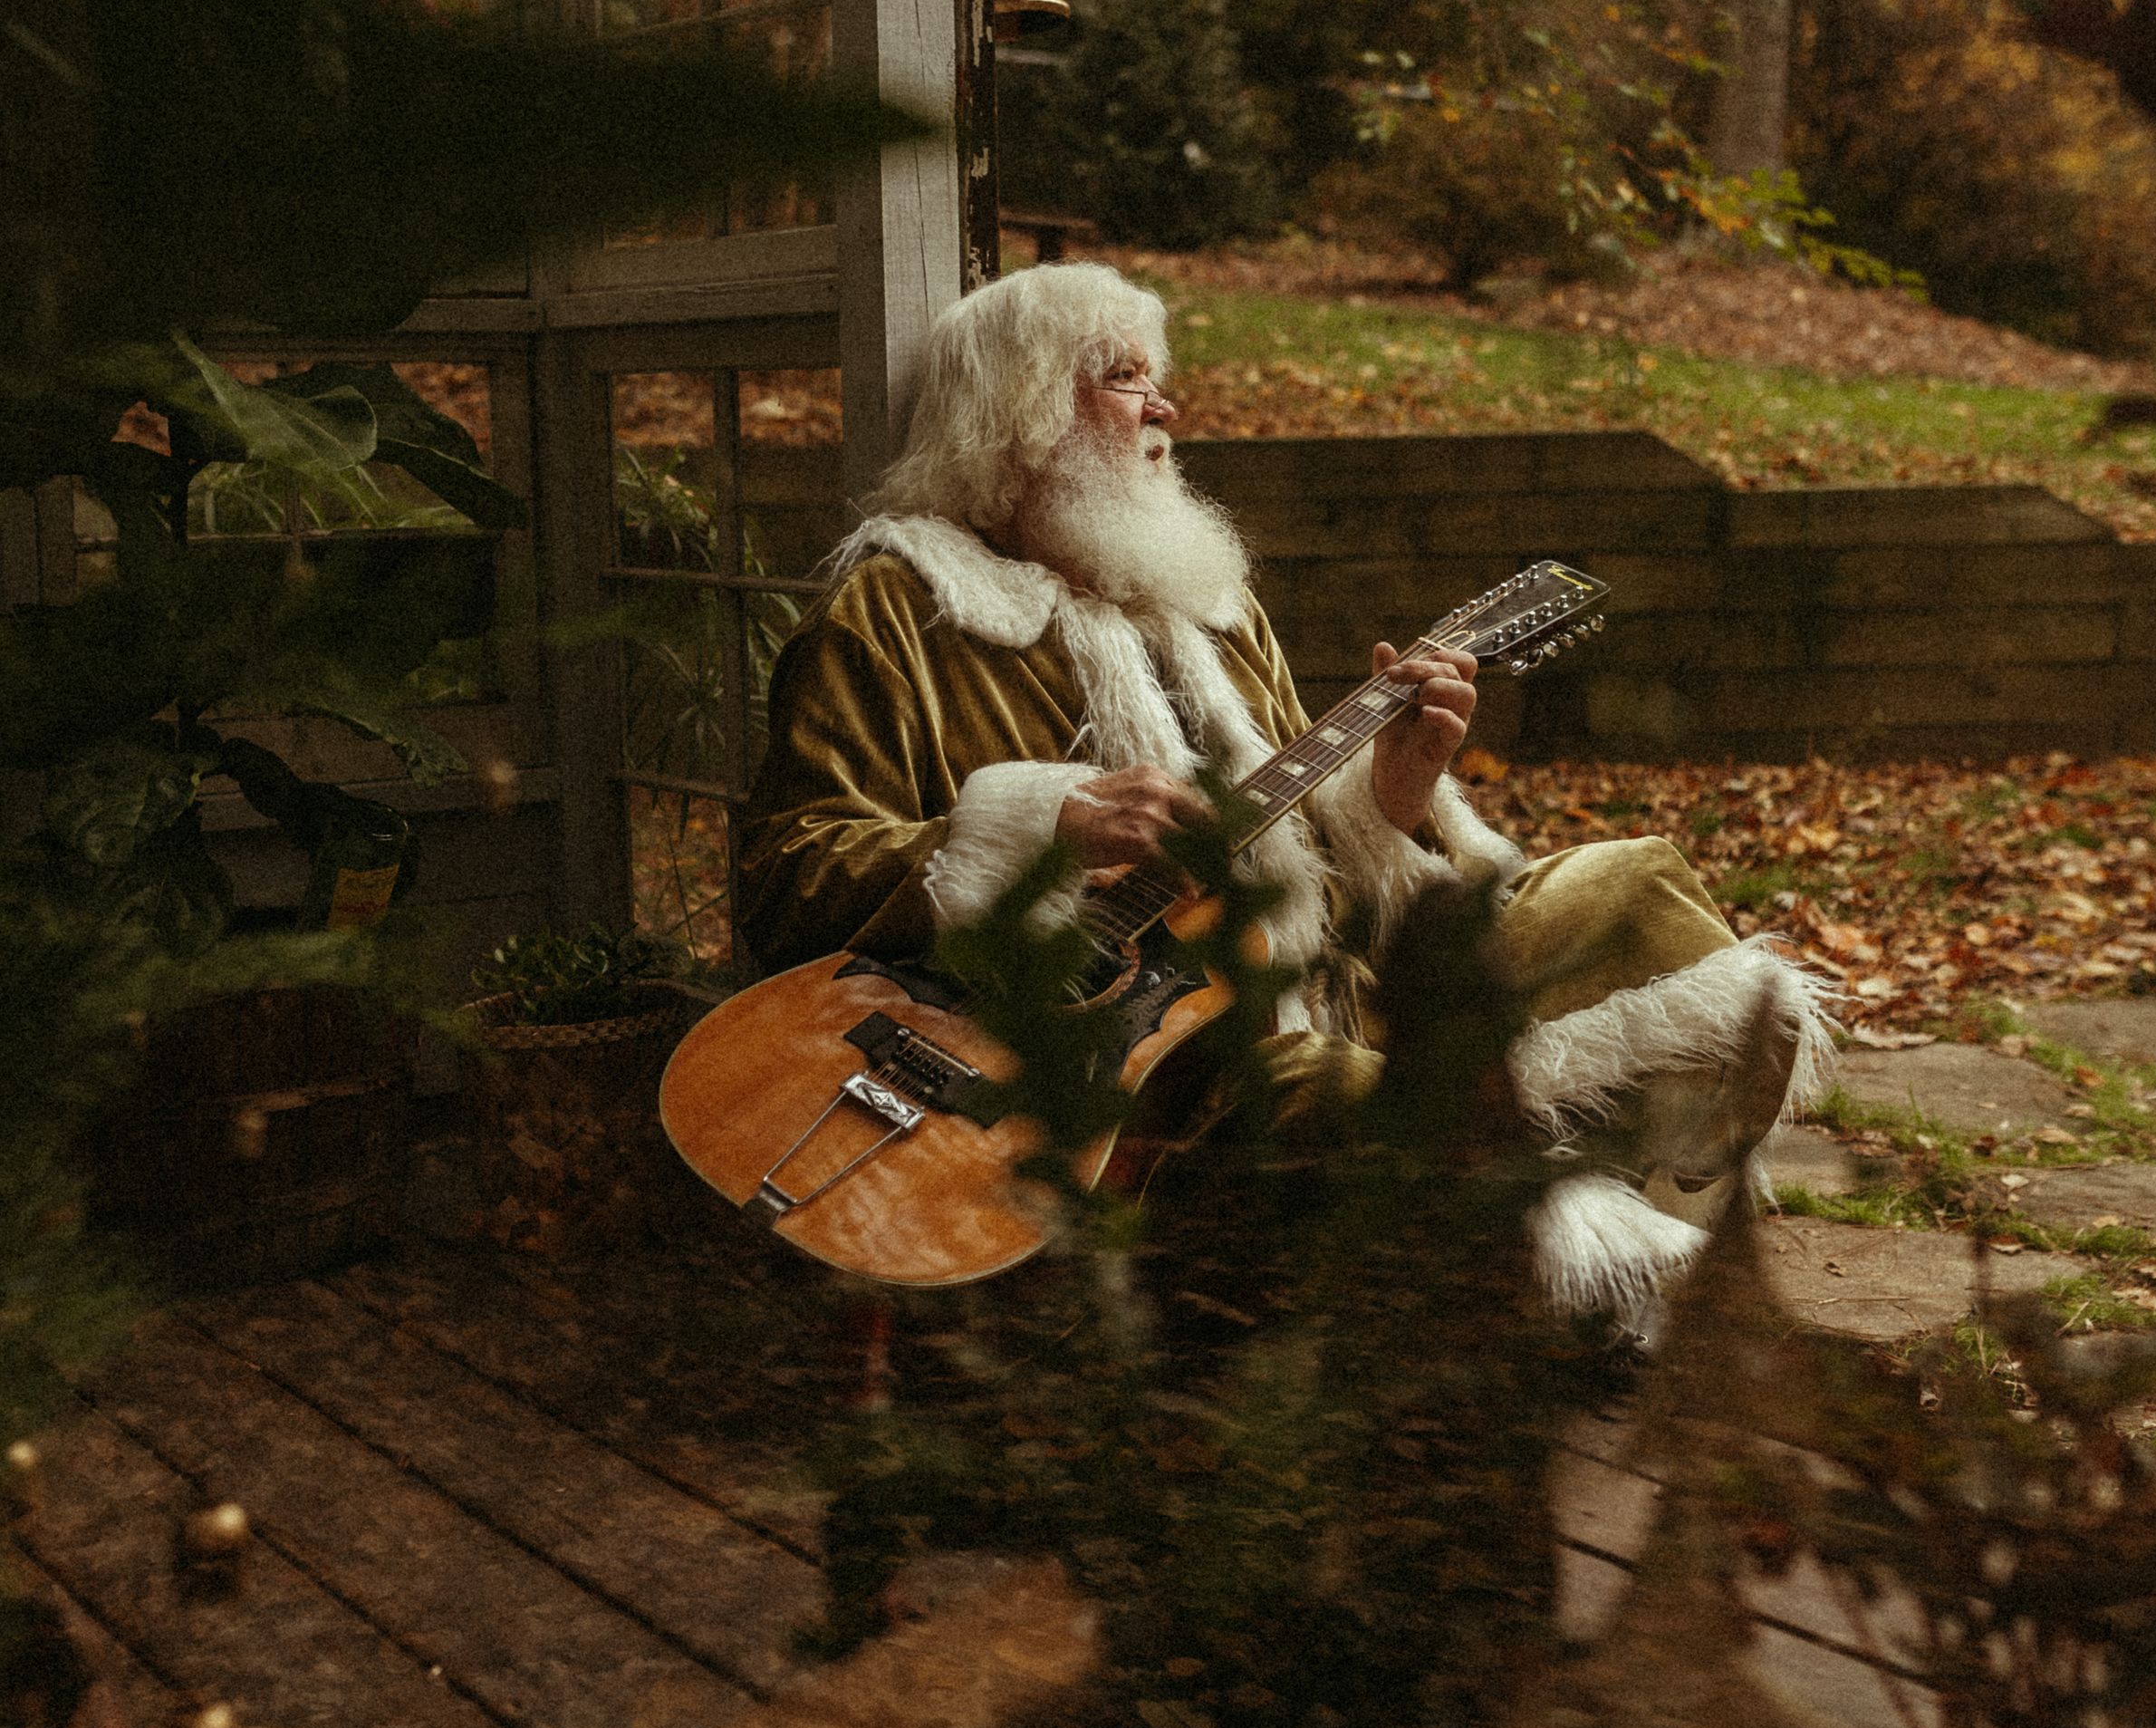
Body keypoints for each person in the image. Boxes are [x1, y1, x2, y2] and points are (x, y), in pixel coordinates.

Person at [739, 265, 1830, 1327]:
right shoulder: (894, 613)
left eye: (1155, 377)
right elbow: (789, 873)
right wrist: (1040, 820)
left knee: (1636, 890)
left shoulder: (1205, 606)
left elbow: (1301, 846)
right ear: (1022, 413)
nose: (1165, 405)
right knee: (1374, 1105)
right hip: (1153, 1063)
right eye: (1123, 378)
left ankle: (1638, 1237)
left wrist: (1392, 796)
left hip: (1323, 979)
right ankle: (1596, 1284)